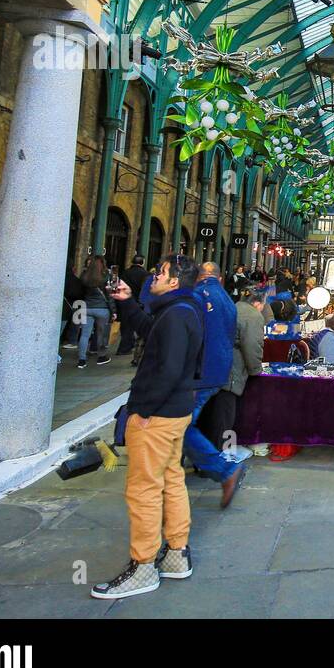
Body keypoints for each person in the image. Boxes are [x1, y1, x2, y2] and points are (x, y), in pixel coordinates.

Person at [93, 255, 205, 599]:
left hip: (157, 416)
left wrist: (142, 410)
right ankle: (175, 554)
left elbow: (168, 369)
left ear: (174, 282)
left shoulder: (175, 314)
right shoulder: (180, 310)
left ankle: (142, 568)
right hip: (176, 412)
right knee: (171, 479)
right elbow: (150, 333)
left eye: (161, 272)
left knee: (143, 489)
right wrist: (127, 303)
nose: (154, 276)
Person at [181, 262, 247, 505]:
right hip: (219, 372)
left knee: (179, 426)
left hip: (199, 373)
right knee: (180, 425)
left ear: (199, 277)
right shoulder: (229, 301)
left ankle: (224, 470)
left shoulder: (198, 296)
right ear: (220, 278)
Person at [200, 285, 264, 452]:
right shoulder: (253, 315)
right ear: (258, 303)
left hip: (214, 367)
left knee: (210, 412)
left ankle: (204, 456)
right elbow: (252, 346)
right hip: (232, 371)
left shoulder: (233, 307)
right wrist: (256, 370)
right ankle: (218, 455)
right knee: (224, 416)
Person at [76, 256, 113, 369]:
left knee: (85, 335)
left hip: (87, 308)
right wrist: (113, 310)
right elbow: (109, 295)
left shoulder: (84, 276)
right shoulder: (106, 276)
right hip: (102, 309)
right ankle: (101, 357)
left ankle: (81, 360)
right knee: (102, 334)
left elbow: (80, 293)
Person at [116, 255, 150, 355]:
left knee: (126, 326)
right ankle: (131, 347)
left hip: (124, 302)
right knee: (138, 326)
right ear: (143, 262)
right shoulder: (145, 274)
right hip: (138, 304)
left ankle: (125, 346)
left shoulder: (125, 273)